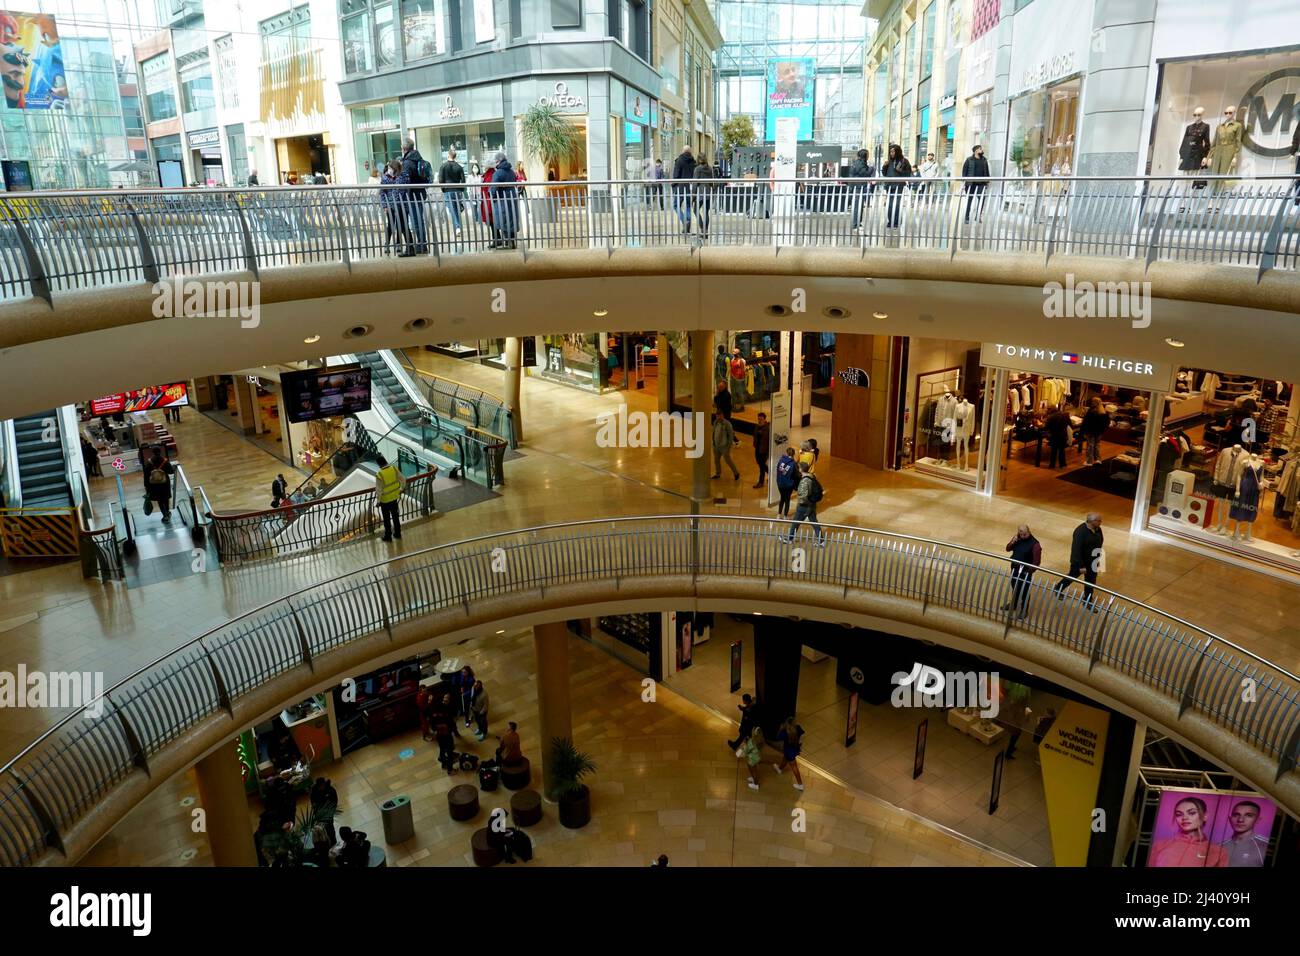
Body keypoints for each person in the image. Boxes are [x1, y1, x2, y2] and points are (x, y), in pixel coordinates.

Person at [1149, 796, 1228, 867]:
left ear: (1205, 816)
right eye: (1179, 814)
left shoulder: (1218, 852)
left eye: (1191, 813)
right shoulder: (1159, 846)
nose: (1184, 818)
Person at [1052, 512, 1104, 608]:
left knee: (1091, 582)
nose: (1101, 522)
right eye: (1099, 521)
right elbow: (1076, 549)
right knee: (1072, 576)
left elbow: (1100, 543)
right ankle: (1058, 588)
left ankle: (1087, 600)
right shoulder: (1080, 532)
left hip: (1092, 562)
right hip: (1080, 562)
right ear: (1092, 521)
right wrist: (1081, 566)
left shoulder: (1098, 530)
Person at [396, 136, 430, 256]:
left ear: (404, 148)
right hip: (421, 193)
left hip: (412, 195)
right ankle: (422, 243)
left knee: (416, 220)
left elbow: (404, 180)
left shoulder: (407, 162)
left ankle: (421, 244)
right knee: (418, 219)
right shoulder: (418, 158)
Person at [1001, 524, 1041, 619]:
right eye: (1021, 534)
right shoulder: (1017, 538)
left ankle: (1024, 610)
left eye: (1025, 534)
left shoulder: (1035, 545)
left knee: (1025, 591)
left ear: (1029, 532)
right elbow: (1008, 548)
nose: (1022, 536)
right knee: (1014, 587)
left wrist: (1028, 572)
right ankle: (1014, 605)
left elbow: (1036, 562)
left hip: (1025, 572)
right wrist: (1013, 542)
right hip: (1015, 569)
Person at [782, 460, 824, 545]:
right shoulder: (812, 476)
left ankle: (789, 539)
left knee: (795, 522)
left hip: (804, 506)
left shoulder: (805, 481)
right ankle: (821, 541)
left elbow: (804, 496)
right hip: (812, 504)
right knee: (814, 522)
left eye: (799, 467)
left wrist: (800, 502)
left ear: (801, 469)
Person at [1218, 800, 1270, 867]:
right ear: (1230, 819)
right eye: (1236, 815)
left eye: (1248, 815)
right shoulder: (1219, 846)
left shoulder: (1265, 846)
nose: (1240, 820)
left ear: (1257, 820)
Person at [486, 150, 521, 249]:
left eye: (496, 161)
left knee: (503, 220)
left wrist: (491, 196)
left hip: (502, 199)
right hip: (512, 197)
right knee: (512, 218)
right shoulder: (511, 171)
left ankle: (508, 240)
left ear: (499, 161)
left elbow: (494, 188)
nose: (495, 163)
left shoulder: (498, 173)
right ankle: (512, 240)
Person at [373, 453, 406, 541]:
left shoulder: (379, 474)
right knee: (395, 516)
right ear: (386, 461)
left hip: (385, 501)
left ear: (379, 464)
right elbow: (403, 479)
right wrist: (401, 489)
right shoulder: (394, 468)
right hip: (394, 497)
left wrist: (378, 502)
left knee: (387, 519)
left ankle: (388, 536)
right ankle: (398, 533)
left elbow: (379, 490)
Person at [380, 159, 409, 253]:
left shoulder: (402, 176)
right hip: (390, 205)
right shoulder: (385, 178)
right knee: (391, 225)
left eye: (390, 168)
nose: (389, 169)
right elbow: (382, 193)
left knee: (400, 224)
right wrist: (384, 205)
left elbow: (407, 188)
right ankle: (387, 244)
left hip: (401, 204)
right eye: (388, 168)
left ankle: (398, 244)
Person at [882, 144, 913, 229]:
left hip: (899, 185)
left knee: (897, 204)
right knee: (890, 204)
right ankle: (890, 221)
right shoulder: (889, 161)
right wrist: (884, 166)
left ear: (897, 151)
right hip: (889, 185)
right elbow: (884, 174)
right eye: (890, 152)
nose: (891, 153)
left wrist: (900, 171)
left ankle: (896, 222)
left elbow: (908, 174)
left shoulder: (904, 161)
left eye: (893, 151)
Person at [438, 147, 467, 234]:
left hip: (448, 190)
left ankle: (457, 227)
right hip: (457, 190)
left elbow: (441, 179)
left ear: (448, 155)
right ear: (455, 156)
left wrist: (443, 189)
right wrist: (461, 189)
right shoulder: (459, 167)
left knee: (452, 209)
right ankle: (458, 226)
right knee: (456, 209)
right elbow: (463, 180)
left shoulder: (443, 166)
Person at [773, 717, 805, 790]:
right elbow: (803, 734)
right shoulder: (798, 727)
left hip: (789, 751)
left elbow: (777, 738)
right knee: (785, 757)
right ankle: (780, 768)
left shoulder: (785, 732)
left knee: (794, 767)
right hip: (795, 748)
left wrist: (780, 729)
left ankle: (800, 784)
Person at [847, 148, 875, 231]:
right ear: (864, 155)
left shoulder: (858, 162)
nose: (868, 156)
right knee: (857, 206)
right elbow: (865, 174)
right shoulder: (860, 163)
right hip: (858, 187)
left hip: (857, 187)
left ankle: (858, 223)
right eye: (867, 154)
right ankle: (856, 225)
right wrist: (871, 168)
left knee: (858, 206)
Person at [144, 448, 174, 523]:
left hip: (154, 485)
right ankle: (167, 512)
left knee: (160, 500)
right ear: (160, 452)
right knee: (166, 499)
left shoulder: (149, 462)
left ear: (153, 453)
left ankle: (165, 515)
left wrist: (146, 486)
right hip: (165, 483)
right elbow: (171, 471)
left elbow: (146, 475)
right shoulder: (164, 461)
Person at [961, 145, 990, 223]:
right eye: (980, 149)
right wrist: (964, 182)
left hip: (981, 184)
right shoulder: (969, 160)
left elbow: (987, 171)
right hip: (970, 184)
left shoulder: (984, 160)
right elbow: (964, 171)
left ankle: (978, 216)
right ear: (976, 151)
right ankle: (967, 217)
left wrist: (987, 181)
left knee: (981, 199)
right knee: (969, 200)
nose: (982, 150)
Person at [672, 146, 697, 232]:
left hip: (680, 187)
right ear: (690, 152)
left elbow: (676, 175)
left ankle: (684, 221)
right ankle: (687, 227)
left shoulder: (679, 161)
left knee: (676, 205)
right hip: (690, 187)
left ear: (683, 151)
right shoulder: (694, 162)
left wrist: (673, 186)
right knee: (688, 206)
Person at [1080, 397, 1111, 466]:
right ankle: (1098, 459)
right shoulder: (1103, 412)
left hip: (1090, 431)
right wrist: (1103, 430)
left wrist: (1082, 430)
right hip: (1099, 432)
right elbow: (1107, 422)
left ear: (1093, 403)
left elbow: (1085, 422)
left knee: (1090, 446)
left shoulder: (1091, 411)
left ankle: (1089, 461)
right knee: (1097, 445)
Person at [711, 411, 740, 481]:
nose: (718, 418)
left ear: (722, 416)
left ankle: (736, 473)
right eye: (717, 416)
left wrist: (728, 446)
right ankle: (718, 473)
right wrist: (714, 443)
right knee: (716, 460)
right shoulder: (715, 422)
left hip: (724, 446)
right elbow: (714, 432)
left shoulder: (727, 424)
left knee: (728, 460)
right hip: (716, 446)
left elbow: (731, 435)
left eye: (720, 416)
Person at [1044, 403, 1072, 469]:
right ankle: (1063, 465)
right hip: (1063, 435)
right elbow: (1070, 424)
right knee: (1062, 450)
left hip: (1055, 436)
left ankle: (1052, 465)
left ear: (1050, 410)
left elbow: (1046, 427)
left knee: (1054, 451)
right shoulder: (1065, 414)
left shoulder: (1051, 417)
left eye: (1047, 409)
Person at [692, 159, 715, 238]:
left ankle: (702, 228)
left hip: (700, 193)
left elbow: (695, 183)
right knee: (706, 212)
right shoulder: (709, 168)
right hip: (708, 192)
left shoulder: (697, 169)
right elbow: (712, 182)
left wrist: (693, 196)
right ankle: (706, 231)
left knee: (695, 210)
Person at [775, 446, 799, 517]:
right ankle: (785, 516)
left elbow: (778, 471)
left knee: (782, 498)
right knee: (787, 500)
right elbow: (796, 475)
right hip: (789, 485)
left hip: (780, 484)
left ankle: (779, 515)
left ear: (786, 453)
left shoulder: (781, 460)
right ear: (793, 454)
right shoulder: (793, 464)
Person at [738, 726, 764, 790]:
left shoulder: (751, 742)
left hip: (751, 758)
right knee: (754, 768)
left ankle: (756, 784)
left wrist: (744, 744)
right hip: (757, 757)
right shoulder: (761, 740)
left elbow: (746, 751)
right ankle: (753, 778)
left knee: (753, 770)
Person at [752, 412, 771, 488]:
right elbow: (755, 435)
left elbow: (769, 441)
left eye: (761, 419)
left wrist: (767, 452)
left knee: (762, 467)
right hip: (757, 448)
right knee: (760, 464)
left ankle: (761, 482)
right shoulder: (757, 426)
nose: (759, 420)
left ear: (764, 419)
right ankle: (773, 475)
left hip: (764, 450)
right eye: (759, 419)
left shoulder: (767, 428)